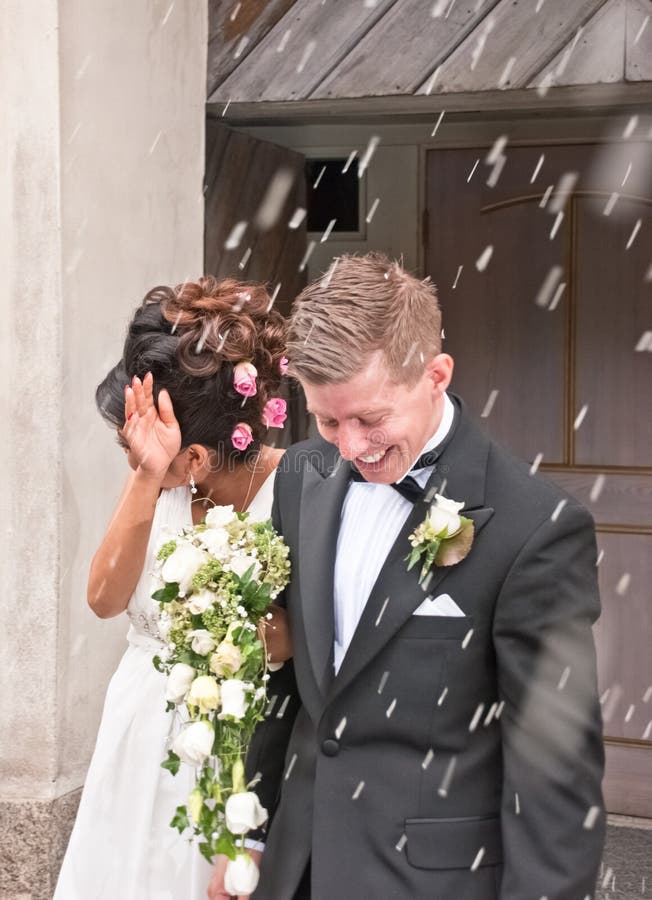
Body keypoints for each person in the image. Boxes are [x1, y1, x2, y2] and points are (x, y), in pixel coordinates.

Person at [208, 252, 605, 900]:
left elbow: (555, 784)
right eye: (328, 420)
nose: (351, 446)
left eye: (371, 418)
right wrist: (249, 831)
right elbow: (286, 679)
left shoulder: (535, 529)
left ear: (435, 375)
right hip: (295, 870)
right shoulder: (302, 480)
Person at [55, 276, 293, 900]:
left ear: (198, 459)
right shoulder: (159, 482)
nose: (131, 445)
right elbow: (104, 599)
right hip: (137, 736)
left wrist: (230, 625)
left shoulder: (296, 491)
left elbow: (298, 642)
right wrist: (144, 476)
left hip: (238, 742)